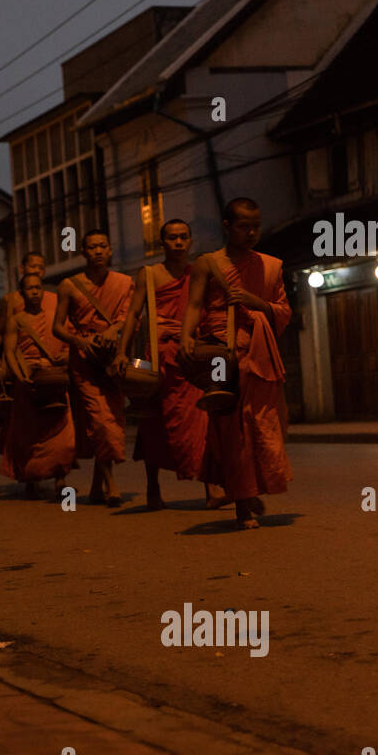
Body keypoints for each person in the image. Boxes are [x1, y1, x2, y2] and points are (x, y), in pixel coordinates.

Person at [180, 197, 293, 530]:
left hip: (260, 353)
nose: (252, 232)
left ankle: (247, 490)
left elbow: (283, 311)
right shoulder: (207, 264)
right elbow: (195, 304)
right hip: (220, 352)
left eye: (256, 225)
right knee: (231, 430)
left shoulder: (271, 265)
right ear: (227, 227)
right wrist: (187, 336)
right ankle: (243, 505)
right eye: (244, 226)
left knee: (262, 427)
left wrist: (254, 301)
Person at [118, 220, 227, 511]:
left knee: (201, 421)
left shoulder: (200, 273)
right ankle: (153, 488)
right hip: (158, 354)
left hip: (191, 352)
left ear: (190, 241)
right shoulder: (149, 275)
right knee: (153, 424)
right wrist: (121, 351)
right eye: (172, 238)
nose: (178, 242)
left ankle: (211, 488)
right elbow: (133, 316)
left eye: (183, 237)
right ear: (162, 243)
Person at [53, 230, 132, 506]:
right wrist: (79, 340)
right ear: (83, 252)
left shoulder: (124, 283)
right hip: (85, 362)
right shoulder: (69, 285)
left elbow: (132, 317)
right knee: (100, 420)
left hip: (113, 359)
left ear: (110, 250)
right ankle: (111, 485)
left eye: (102, 246)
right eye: (92, 247)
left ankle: (97, 486)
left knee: (112, 418)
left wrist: (115, 330)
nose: (97, 251)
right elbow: (57, 327)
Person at [1, 273, 74, 497]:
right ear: (22, 293)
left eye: (38, 287)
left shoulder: (56, 317)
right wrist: (20, 375)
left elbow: (69, 343)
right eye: (29, 288)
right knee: (28, 434)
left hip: (55, 378)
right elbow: (10, 351)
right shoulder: (16, 320)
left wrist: (64, 358)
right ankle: (30, 478)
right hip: (28, 381)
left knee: (63, 433)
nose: (34, 291)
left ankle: (60, 477)